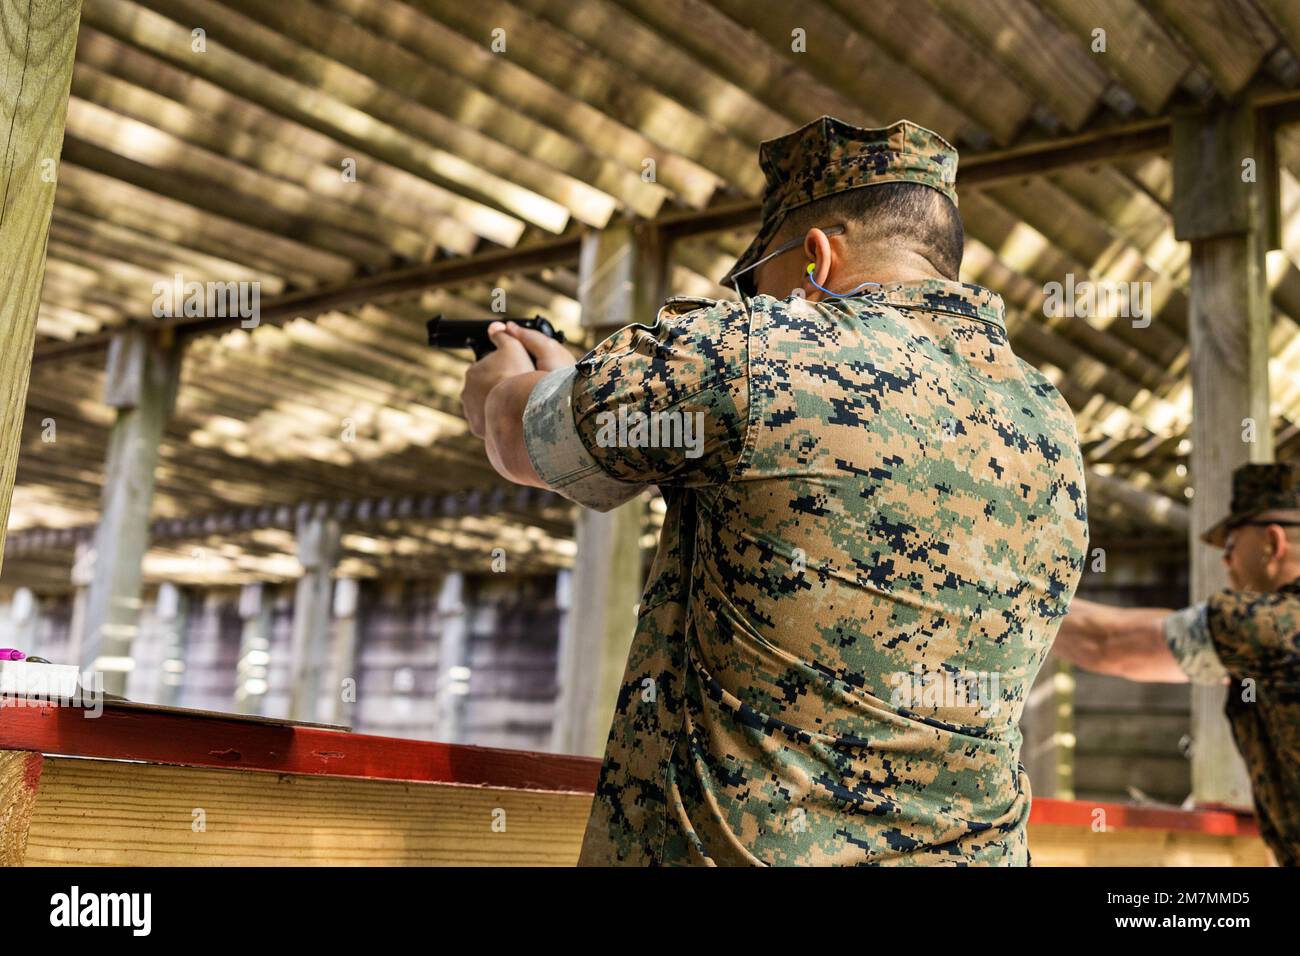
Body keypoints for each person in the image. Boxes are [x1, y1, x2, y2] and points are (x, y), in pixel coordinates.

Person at [460, 116, 1088, 865]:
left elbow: (520, 432)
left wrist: (504, 375)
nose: (761, 301)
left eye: (762, 280)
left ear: (817, 256)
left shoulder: (755, 354)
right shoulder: (1047, 419)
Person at [1054, 462, 1300, 866]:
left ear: (1271, 543)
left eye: (1232, 545)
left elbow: (1107, 642)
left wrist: (1008, 597)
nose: (1226, 562)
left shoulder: (1266, 625)